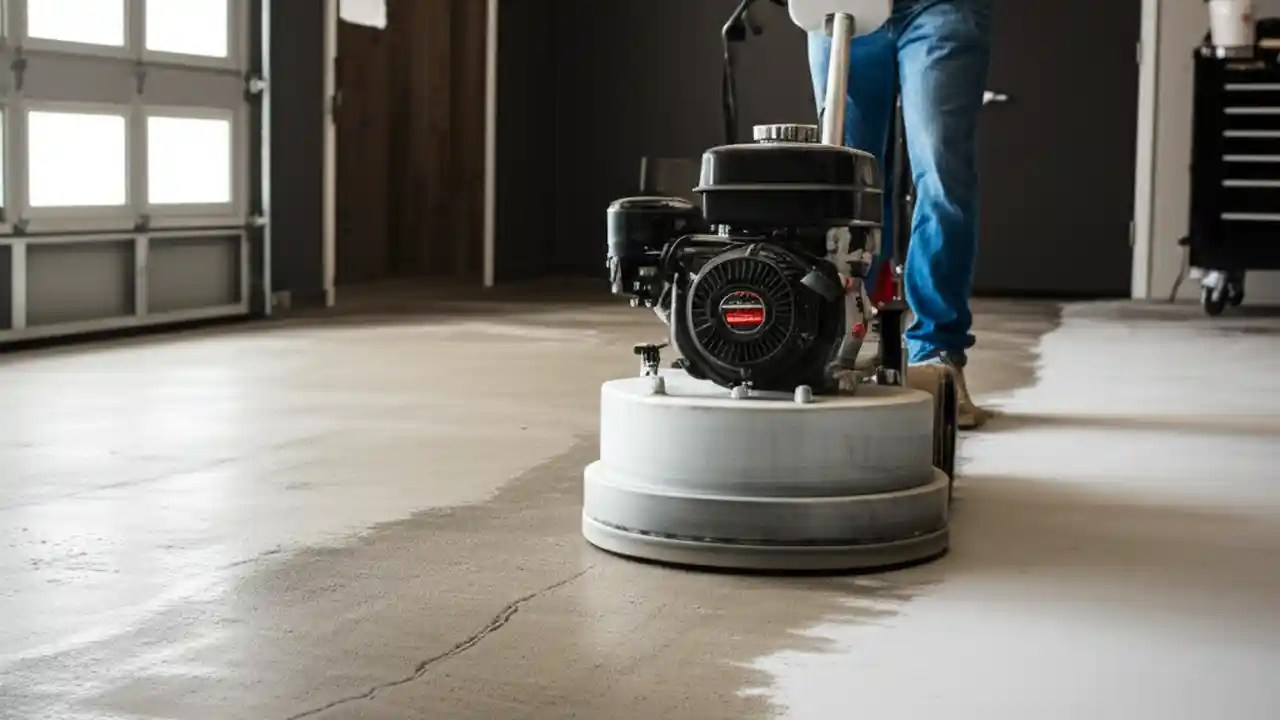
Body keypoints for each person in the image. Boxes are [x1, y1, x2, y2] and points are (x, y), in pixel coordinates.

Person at [807, 0, 991, 428]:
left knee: (943, 173)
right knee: (844, 178)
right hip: (839, 4)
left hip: (940, 8)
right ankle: (838, 343)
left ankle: (938, 354)